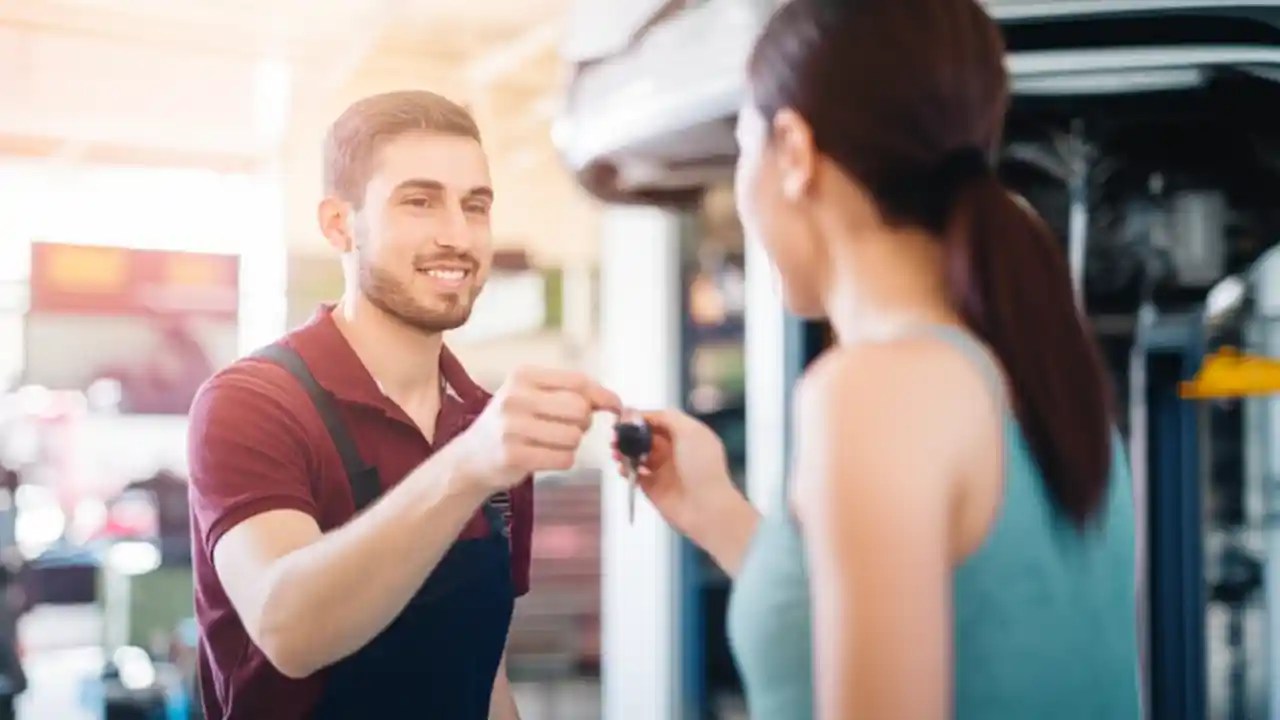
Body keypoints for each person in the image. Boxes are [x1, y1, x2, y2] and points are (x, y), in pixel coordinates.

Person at [619, 1, 1141, 718]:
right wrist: (715, 510)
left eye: (743, 149)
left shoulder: (877, 390)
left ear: (793, 152)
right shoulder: (1036, 376)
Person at [188, 90, 620, 720]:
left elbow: (484, 673)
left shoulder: (487, 423)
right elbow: (288, 630)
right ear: (339, 224)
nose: (458, 235)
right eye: (419, 201)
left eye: (475, 206)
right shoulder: (252, 404)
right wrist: (468, 466)